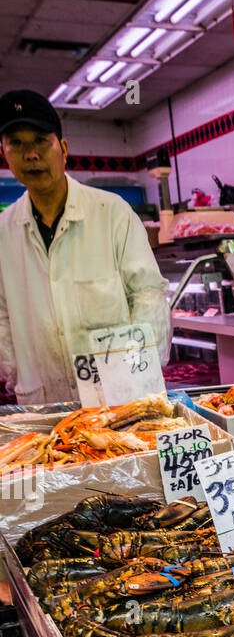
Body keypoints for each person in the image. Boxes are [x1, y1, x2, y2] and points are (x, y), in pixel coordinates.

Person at [0, 90, 170, 405]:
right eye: (17, 144)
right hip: (42, 402)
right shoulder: (3, 232)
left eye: (40, 140)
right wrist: (12, 370)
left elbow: (148, 296)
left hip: (120, 399)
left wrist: (133, 374)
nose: (31, 154)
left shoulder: (112, 213)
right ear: (4, 152)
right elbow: (1, 315)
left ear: (62, 148)